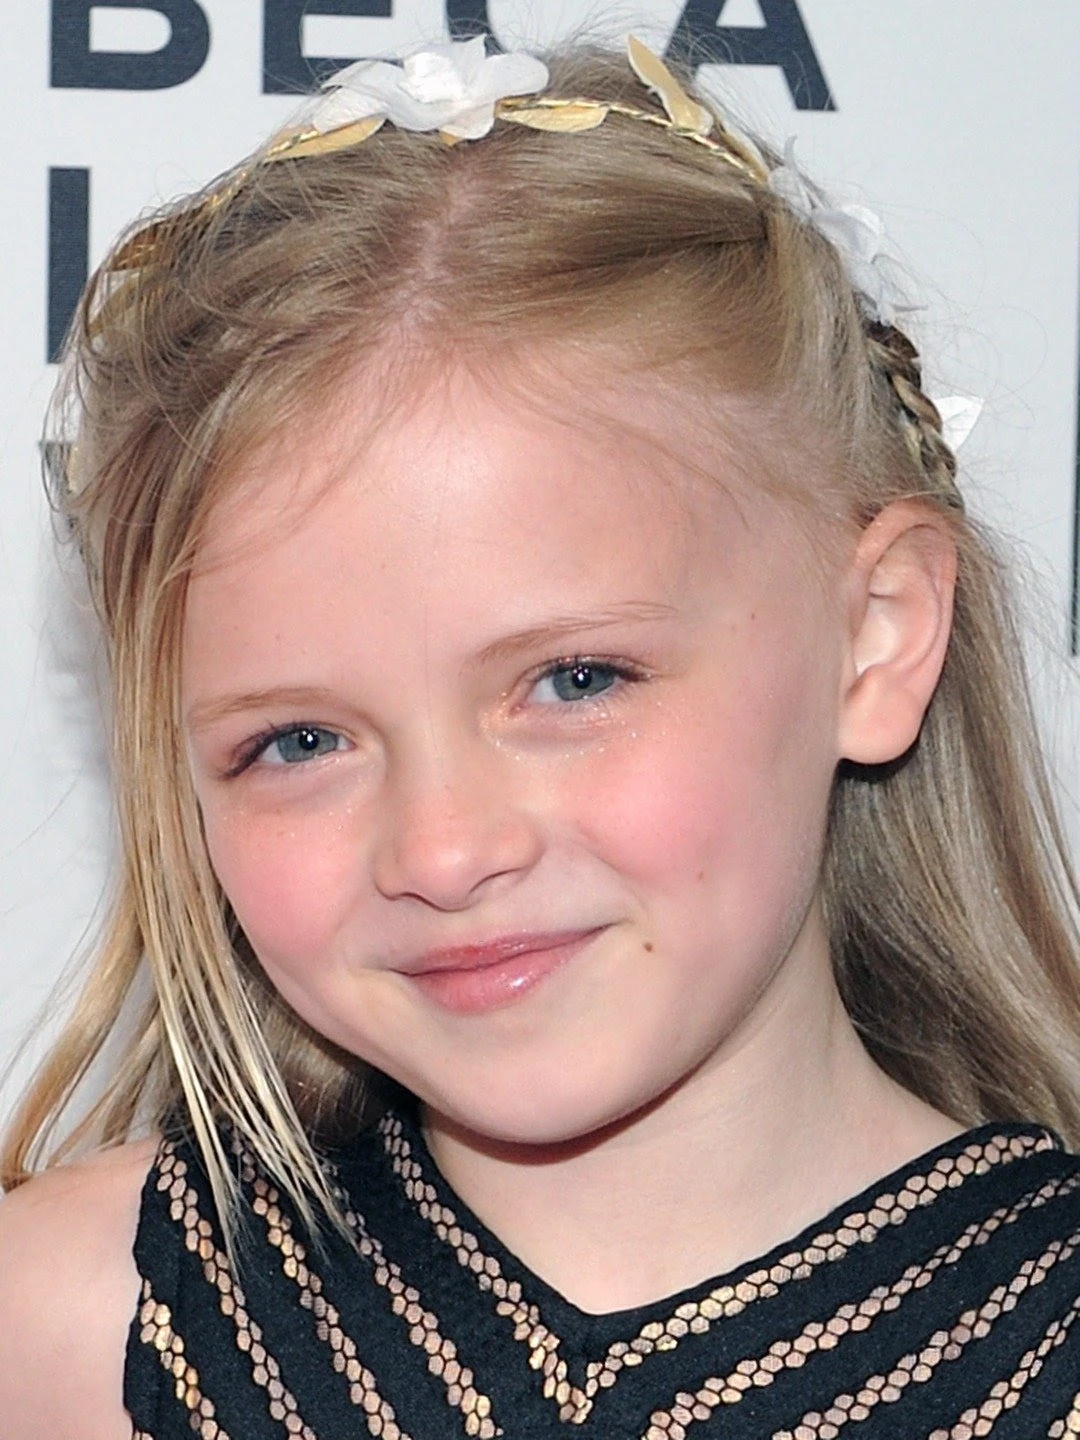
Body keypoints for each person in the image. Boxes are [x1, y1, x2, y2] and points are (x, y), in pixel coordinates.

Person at [1, 34, 1079, 1438]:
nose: (444, 852)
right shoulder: (65, 1328)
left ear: (875, 633)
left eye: (574, 682)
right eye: (300, 743)